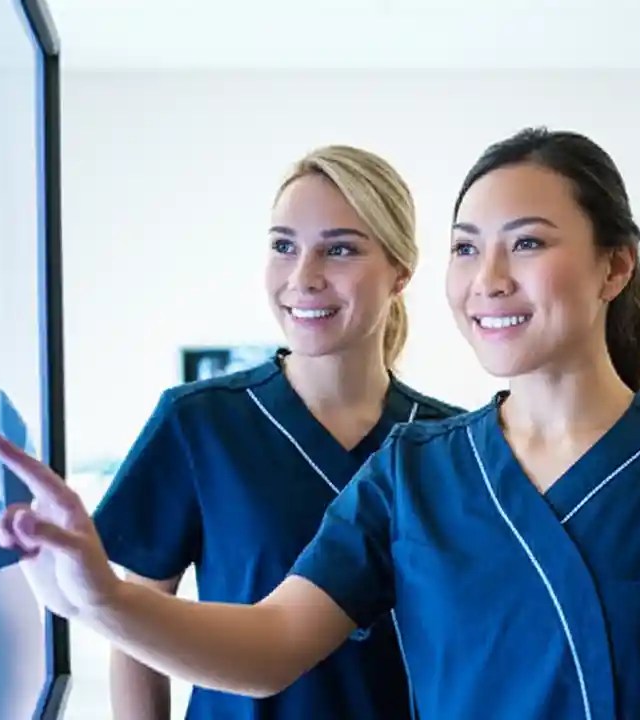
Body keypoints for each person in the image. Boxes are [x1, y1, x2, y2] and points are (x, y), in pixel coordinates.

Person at [0, 128, 640, 720]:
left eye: (529, 244)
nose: (490, 280)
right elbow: (271, 645)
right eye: (467, 250)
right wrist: (104, 603)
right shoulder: (411, 474)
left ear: (615, 266)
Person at [88, 144, 463, 720]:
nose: (303, 277)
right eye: (284, 247)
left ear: (400, 272)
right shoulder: (201, 423)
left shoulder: (450, 445)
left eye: (339, 250)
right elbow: (135, 629)